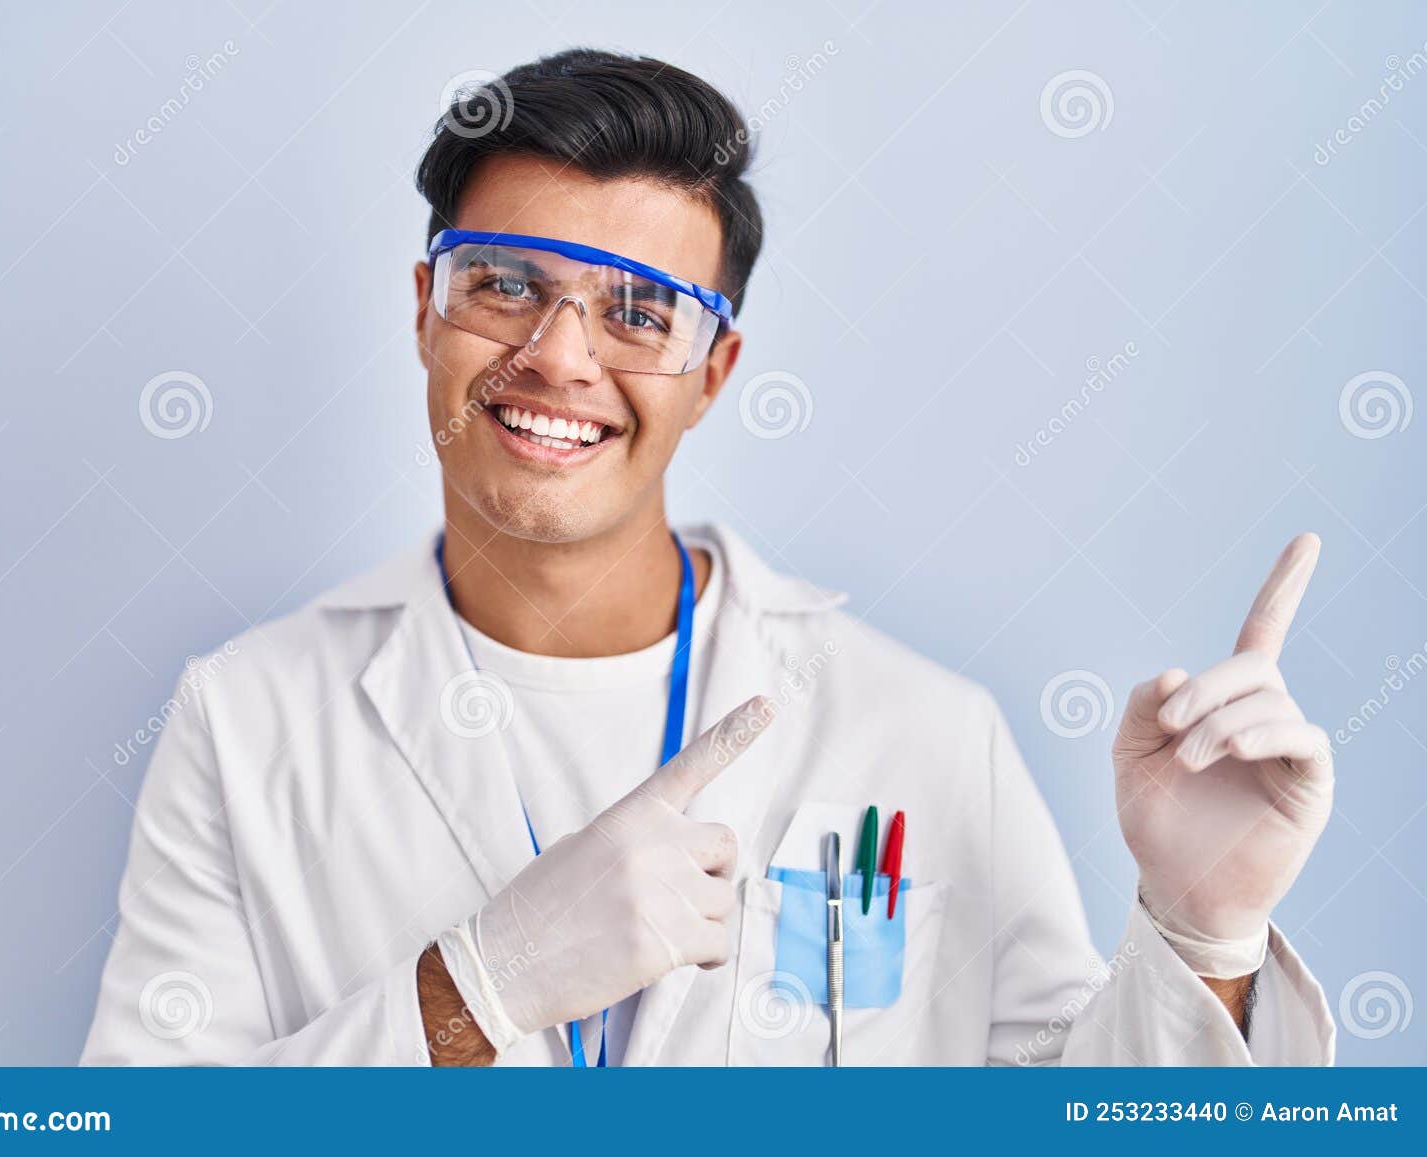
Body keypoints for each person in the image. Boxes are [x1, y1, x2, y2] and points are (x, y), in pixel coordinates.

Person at [81, 49, 1335, 1067]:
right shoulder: (243, 718)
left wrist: (1202, 929)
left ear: (713, 373)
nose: (562, 359)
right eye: (504, 285)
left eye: (637, 313)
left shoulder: (921, 730)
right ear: (425, 312)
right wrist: (476, 988)